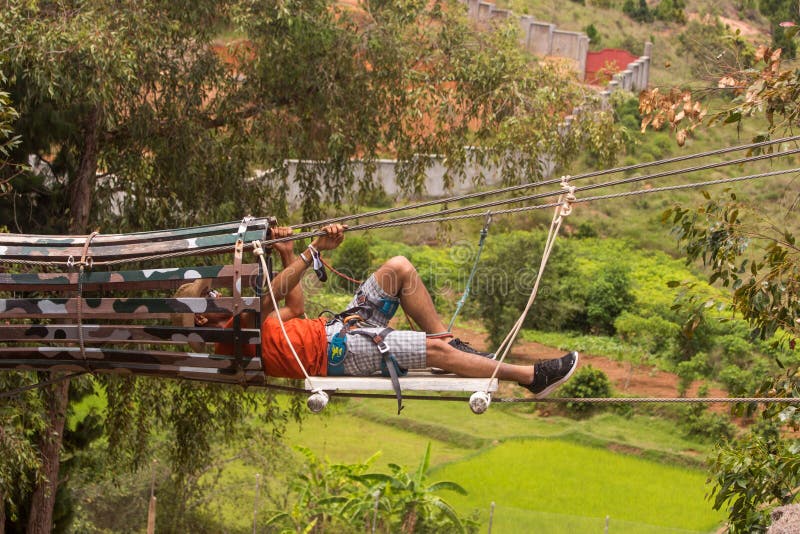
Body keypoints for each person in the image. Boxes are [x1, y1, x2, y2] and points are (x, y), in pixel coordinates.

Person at [176, 224, 578, 398]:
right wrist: (311, 250)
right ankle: (529, 377)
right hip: (339, 354)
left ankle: (447, 341)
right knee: (433, 355)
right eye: (210, 296)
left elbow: (293, 307)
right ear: (200, 317)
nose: (218, 296)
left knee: (398, 268)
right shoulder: (230, 337)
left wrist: (285, 254)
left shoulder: (238, 323)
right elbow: (266, 298)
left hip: (340, 326)